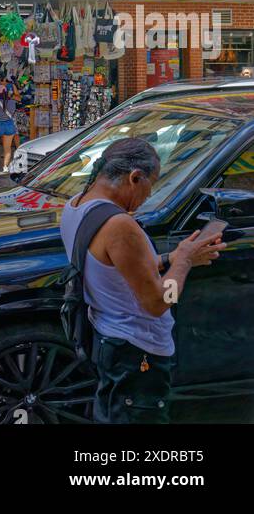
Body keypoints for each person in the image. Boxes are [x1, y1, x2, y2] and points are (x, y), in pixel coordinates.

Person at [60, 137, 225, 425]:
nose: (150, 194)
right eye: (152, 183)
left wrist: (171, 258)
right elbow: (160, 302)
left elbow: (115, 269)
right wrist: (184, 262)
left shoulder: (75, 206)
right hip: (137, 353)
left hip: (110, 341)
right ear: (135, 177)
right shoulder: (120, 225)